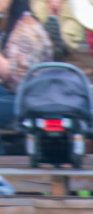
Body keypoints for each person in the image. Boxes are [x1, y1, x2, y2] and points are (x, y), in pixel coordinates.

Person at [0, 0, 55, 138]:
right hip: (21, 97)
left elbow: (18, 79)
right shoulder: (18, 23)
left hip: (28, 104)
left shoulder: (26, 30)